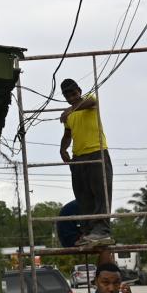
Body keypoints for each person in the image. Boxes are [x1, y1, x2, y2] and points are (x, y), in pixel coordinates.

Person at [58, 78, 111, 250]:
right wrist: (63, 149)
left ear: (79, 91)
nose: (71, 97)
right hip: (78, 157)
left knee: (100, 194)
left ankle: (102, 231)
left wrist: (71, 108)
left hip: (97, 152)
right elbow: (67, 135)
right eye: (67, 95)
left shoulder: (89, 100)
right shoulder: (70, 115)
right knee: (83, 196)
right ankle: (89, 232)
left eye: (73, 93)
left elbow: (91, 101)